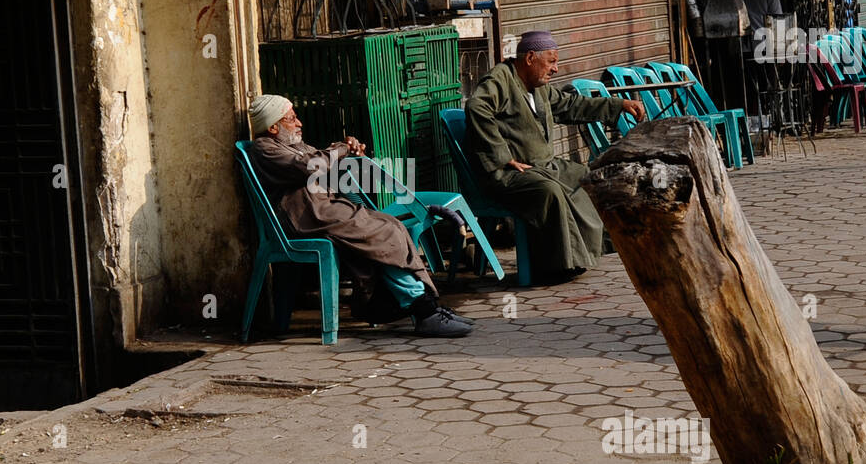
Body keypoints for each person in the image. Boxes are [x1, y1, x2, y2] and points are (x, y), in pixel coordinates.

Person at [246, 94, 473, 338]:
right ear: (272, 127)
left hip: (324, 214)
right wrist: (340, 149)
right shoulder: (265, 149)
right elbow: (311, 166)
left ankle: (426, 305)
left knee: (390, 225)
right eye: (292, 119)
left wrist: (351, 154)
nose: (300, 123)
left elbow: (324, 166)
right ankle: (424, 311)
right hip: (308, 220)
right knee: (383, 232)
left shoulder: (292, 146)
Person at [465, 30, 645, 284]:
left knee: (586, 178)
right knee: (548, 191)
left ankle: (587, 254)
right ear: (530, 58)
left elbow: (572, 105)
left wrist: (617, 105)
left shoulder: (539, 89)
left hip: (543, 166)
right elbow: (477, 107)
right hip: (508, 174)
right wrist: (503, 156)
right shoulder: (501, 80)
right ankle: (555, 267)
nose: (556, 69)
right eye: (551, 61)